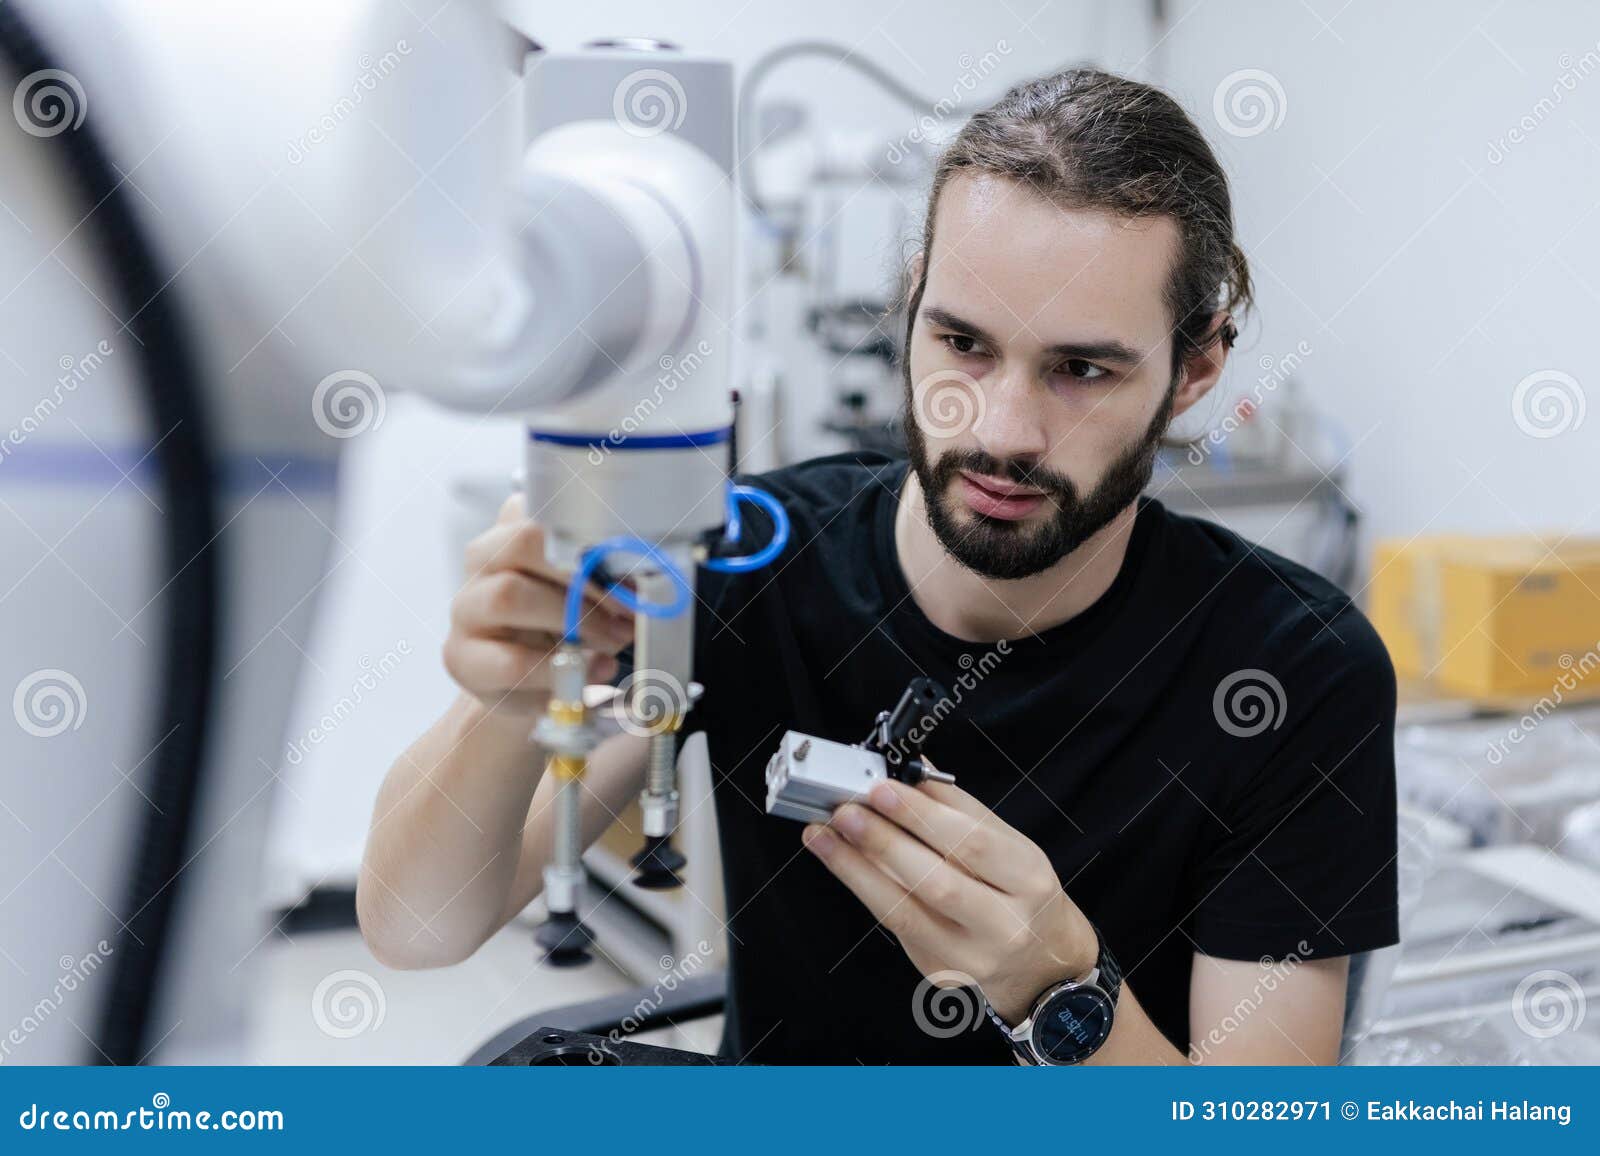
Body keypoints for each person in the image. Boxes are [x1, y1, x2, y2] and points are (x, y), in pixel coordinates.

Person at [358, 66, 1398, 1065]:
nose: (1000, 429)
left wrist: (1055, 987)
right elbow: (417, 928)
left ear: (1196, 368)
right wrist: (502, 703)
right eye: (963, 342)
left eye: (1081, 369)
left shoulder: (1293, 671)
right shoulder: (748, 552)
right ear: (911, 305)